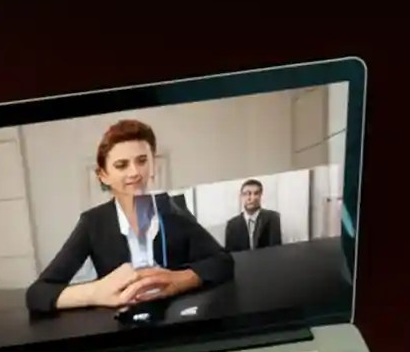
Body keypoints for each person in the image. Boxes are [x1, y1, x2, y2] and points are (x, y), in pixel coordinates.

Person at [25, 119, 233, 313]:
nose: (135, 172)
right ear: (103, 175)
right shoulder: (93, 222)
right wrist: (95, 292)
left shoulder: (173, 208)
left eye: (142, 161)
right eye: (121, 165)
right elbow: (37, 294)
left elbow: (222, 261)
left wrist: (178, 280)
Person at [224, 179, 283, 251]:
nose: (251, 198)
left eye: (256, 193)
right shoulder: (232, 225)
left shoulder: (272, 218)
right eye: (247, 194)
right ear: (241, 196)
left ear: (260, 196)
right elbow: (231, 253)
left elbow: (276, 248)